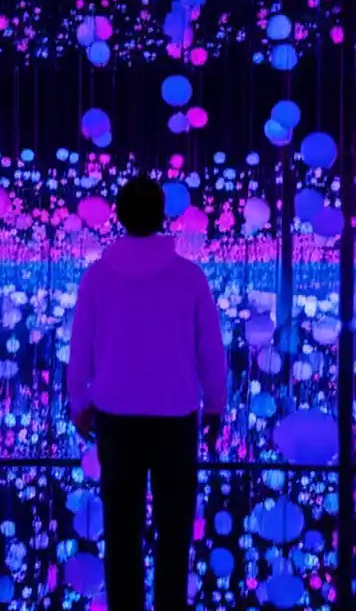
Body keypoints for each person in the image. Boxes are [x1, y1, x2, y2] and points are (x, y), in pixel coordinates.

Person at [66, 175, 227, 611]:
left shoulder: (97, 278)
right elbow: (209, 347)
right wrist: (215, 404)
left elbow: (80, 346)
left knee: (121, 531)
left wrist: (79, 401)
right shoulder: (189, 277)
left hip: (115, 415)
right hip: (176, 415)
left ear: (118, 215)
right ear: (161, 216)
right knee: (174, 532)